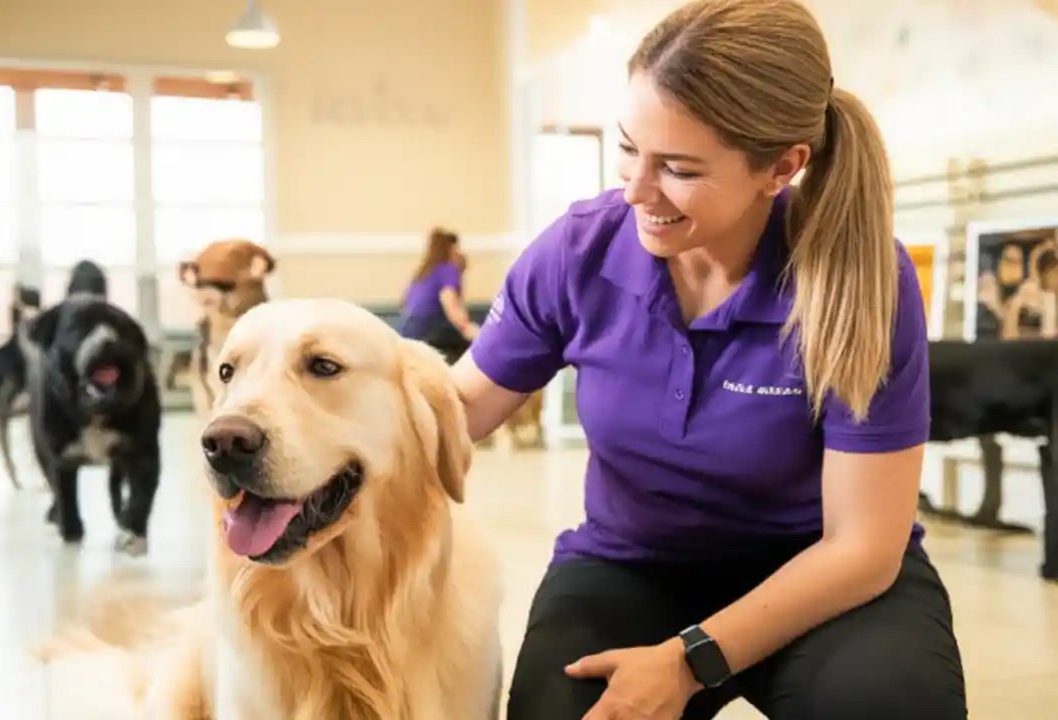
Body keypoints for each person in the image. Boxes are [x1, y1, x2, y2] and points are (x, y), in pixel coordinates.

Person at [452, 0, 967, 718]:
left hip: (819, 574)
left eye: (679, 168)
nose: (634, 189)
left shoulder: (861, 279)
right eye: (629, 147)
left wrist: (691, 659)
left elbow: (863, 548)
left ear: (781, 167)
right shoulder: (578, 251)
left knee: (886, 705)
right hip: (632, 565)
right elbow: (454, 413)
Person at [399, 227, 479, 363]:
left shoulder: (424, 272)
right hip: (430, 329)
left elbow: (406, 302)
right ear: (450, 248)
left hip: (407, 329)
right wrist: (469, 329)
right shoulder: (447, 268)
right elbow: (449, 301)